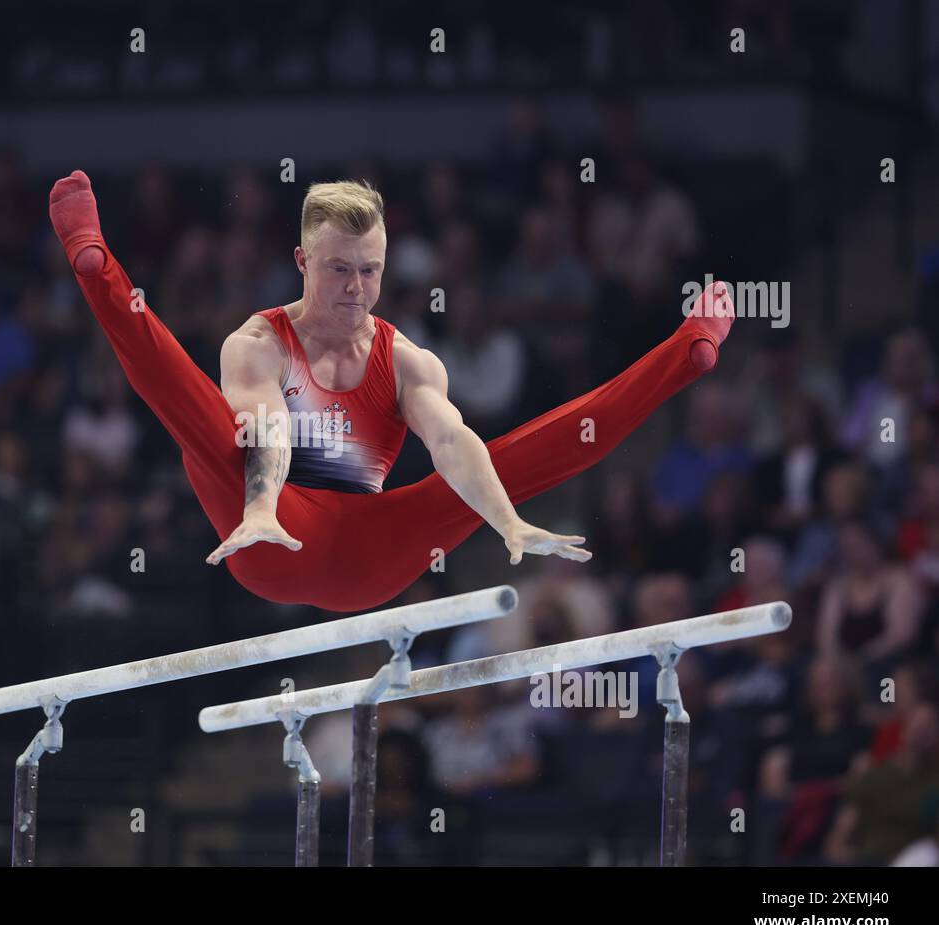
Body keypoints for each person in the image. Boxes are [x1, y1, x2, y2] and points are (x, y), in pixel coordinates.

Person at [50, 171, 734, 612]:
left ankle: (684, 352)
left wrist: (505, 518)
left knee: (506, 457)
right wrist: (260, 509)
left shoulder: (407, 360)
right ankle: (95, 261)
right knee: (203, 426)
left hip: (375, 553)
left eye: (370, 271)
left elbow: (449, 440)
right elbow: (266, 428)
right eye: (338, 269)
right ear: (301, 262)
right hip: (270, 535)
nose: (354, 287)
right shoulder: (255, 342)